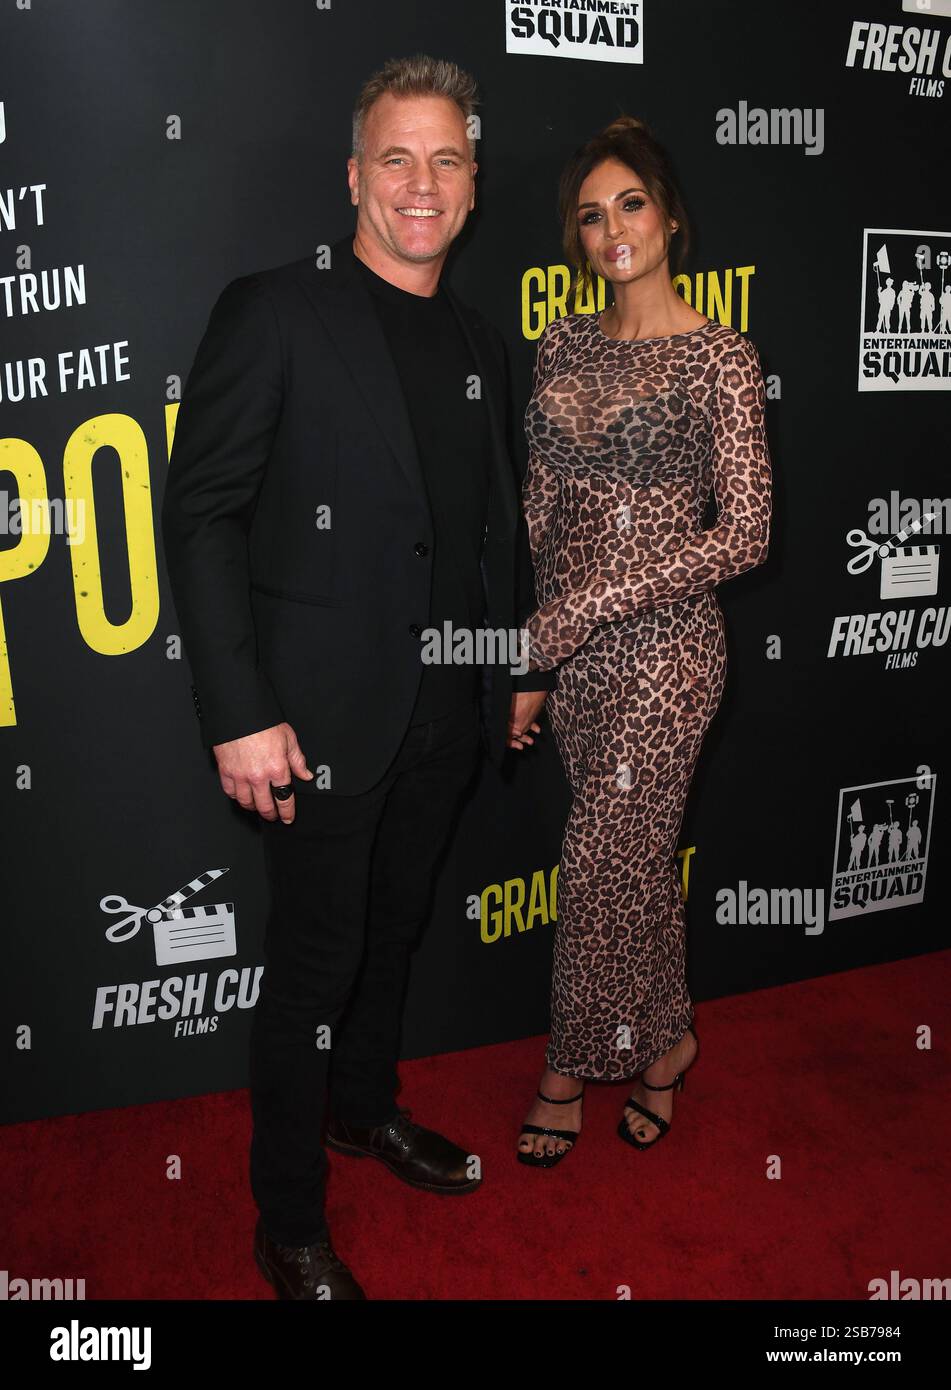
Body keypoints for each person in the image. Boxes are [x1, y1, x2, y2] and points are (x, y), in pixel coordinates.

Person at [161, 54, 551, 1299]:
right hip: (317, 719)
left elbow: (497, 533)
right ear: (354, 174)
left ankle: (362, 1109)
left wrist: (519, 666)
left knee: (394, 937)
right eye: (397, 157)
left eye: (447, 159)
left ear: (475, 186)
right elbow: (206, 515)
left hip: (447, 711)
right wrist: (239, 711)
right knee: (317, 962)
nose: (421, 183)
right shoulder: (276, 308)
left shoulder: (486, 341)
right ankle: (287, 1218)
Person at [516, 115, 772, 1166]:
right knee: (633, 864)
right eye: (591, 215)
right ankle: (668, 1043)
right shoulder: (561, 344)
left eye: (630, 204)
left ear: (669, 216)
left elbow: (748, 530)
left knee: (595, 859)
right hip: (572, 657)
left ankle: (566, 1069)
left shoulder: (722, 356)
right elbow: (540, 511)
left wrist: (597, 601)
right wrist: (539, 652)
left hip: (669, 655)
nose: (612, 228)